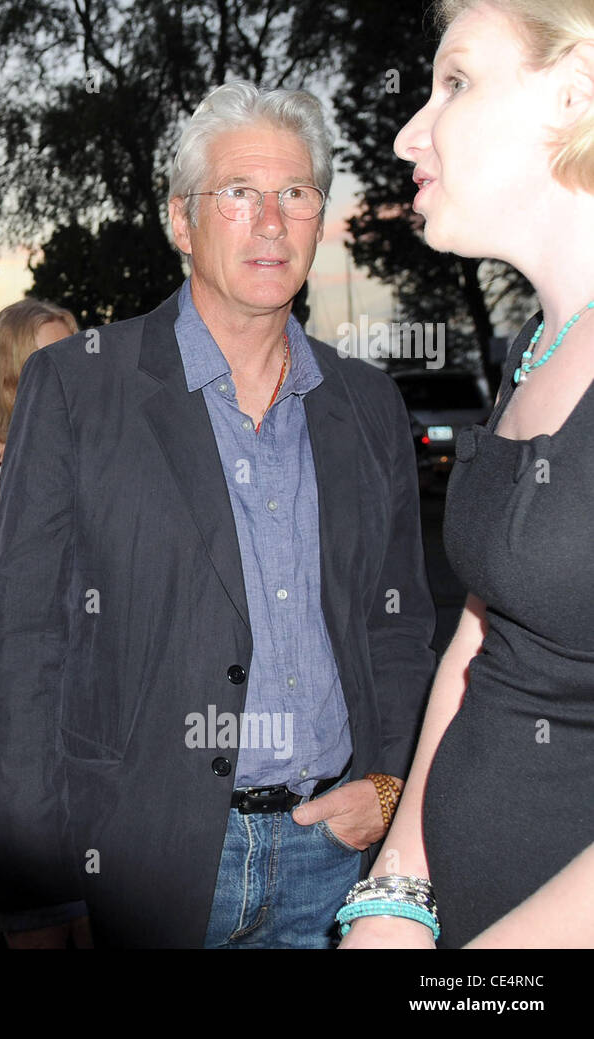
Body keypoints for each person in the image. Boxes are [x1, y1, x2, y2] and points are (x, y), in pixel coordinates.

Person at [0, 81, 437, 948]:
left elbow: (401, 624)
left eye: (295, 194)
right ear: (183, 222)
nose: (271, 220)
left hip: (333, 861)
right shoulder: (79, 386)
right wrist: (37, 892)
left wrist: (389, 782)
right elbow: (25, 646)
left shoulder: (368, 401)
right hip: (140, 859)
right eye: (239, 193)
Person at [341, 0, 594, 949]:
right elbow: (481, 632)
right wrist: (396, 893)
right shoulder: (536, 348)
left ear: (575, 93)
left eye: (456, 81)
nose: (412, 127)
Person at [0, 298, 78, 940]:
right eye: (50, 358)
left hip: (88, 663)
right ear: (12, 373)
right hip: (11, 663)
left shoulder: (96, 440)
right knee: (14, 819)